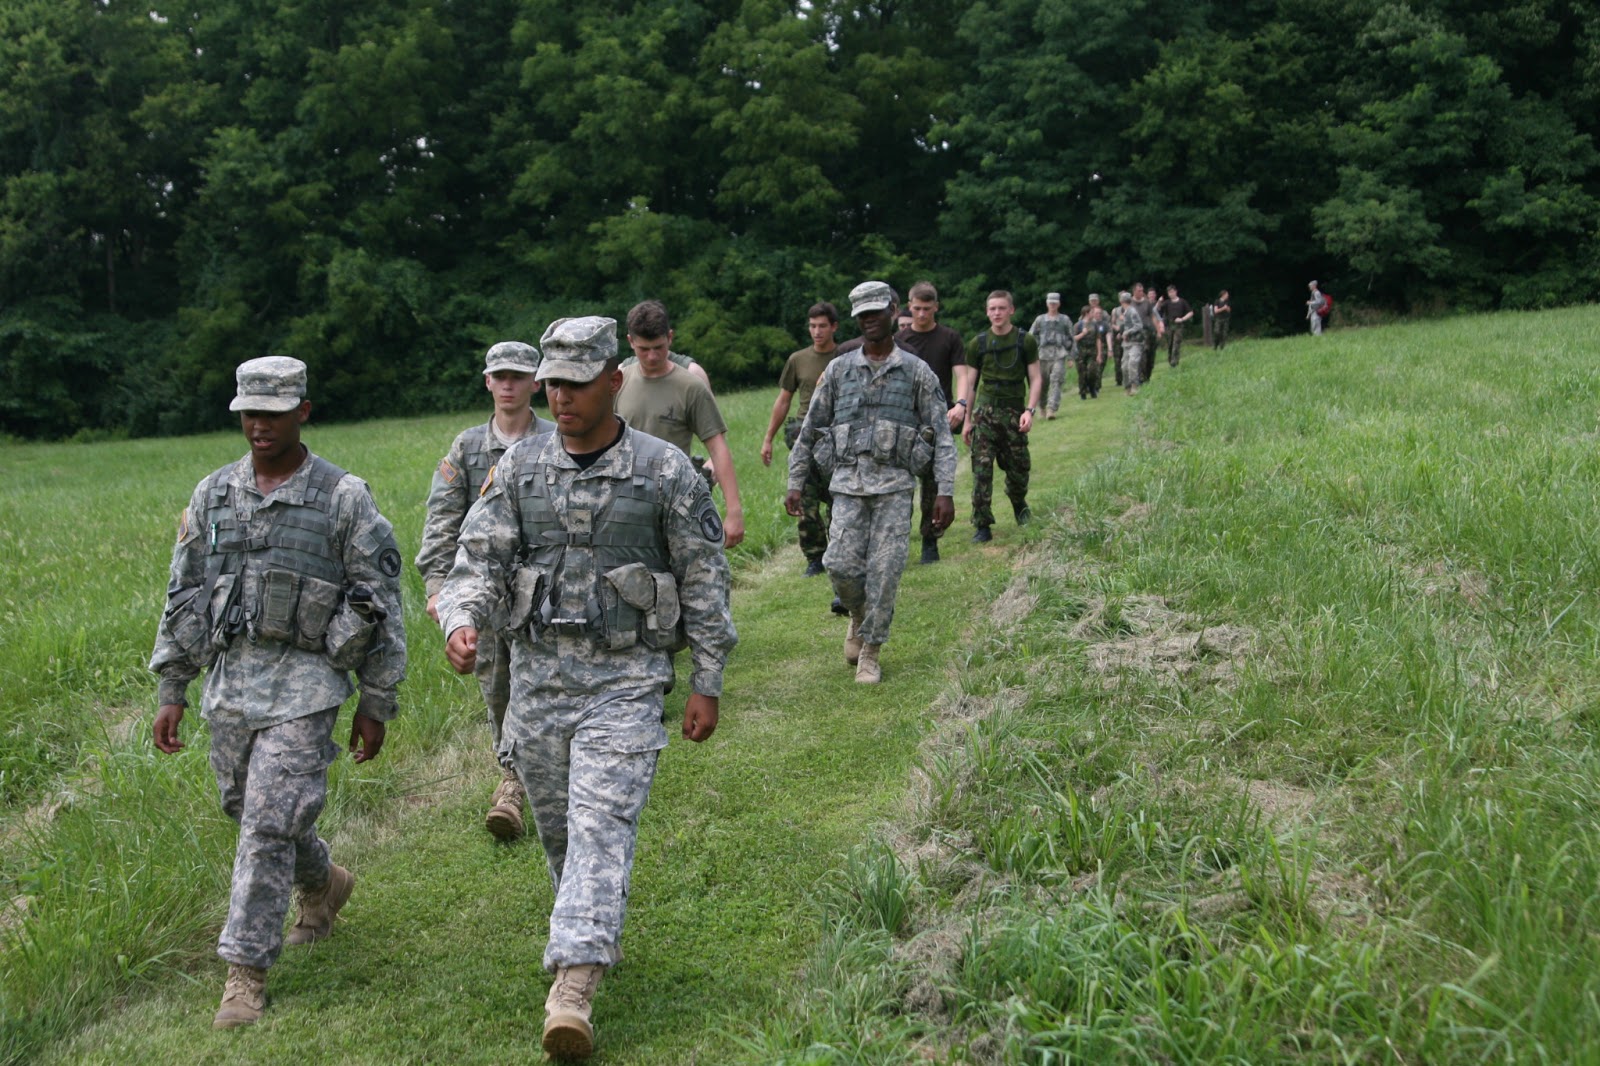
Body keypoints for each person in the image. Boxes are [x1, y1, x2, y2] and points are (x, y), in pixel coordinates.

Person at [437, 316, 736, 1061]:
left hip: (627, 680)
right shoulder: (520, 469)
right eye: (553, 385)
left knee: (603, 821)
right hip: (537, 683)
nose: (561, 398)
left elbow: (704, 577)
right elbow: (477, 554)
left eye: (577, 384)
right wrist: (461, 619)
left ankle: (572, 983)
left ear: (614, 382)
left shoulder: (664, 471)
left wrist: (707, 679)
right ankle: (591, 925)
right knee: (562, 834)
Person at [150, 356, 407, 1029]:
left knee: (266, 822)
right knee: (248, 805)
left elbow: (382, 600)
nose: (259, 424)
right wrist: (173, 683)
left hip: (308, 685)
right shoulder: (213, 495)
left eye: (273, 411)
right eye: (248, 413)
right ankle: (324, 884)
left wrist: (376, 701)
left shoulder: (344, 498)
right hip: (232, 684)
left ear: (304, 412)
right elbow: (187, 593)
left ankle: (245, 972)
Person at [415, 341, 555, 841]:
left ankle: (530, 779)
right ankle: (513, 778)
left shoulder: (557, 440)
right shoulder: (468, 449)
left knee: (543, 689)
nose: (509, 384)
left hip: (547, 597)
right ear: (488, 382)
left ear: (536, 382)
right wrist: (438, 587)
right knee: (498, 691)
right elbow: (442, 520)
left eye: (519, 375)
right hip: (489, 598)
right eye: (500, 375)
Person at [786, 281, 957, 683]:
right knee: (839, 565)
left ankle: (872, 652)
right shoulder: (839, 370)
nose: (869, 321)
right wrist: (796, 480)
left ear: (894, 311)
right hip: (847, 484)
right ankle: (859, 618)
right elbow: (811, 428)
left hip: (895, 487)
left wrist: (945, 491)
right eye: (862, 315)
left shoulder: (915, 371)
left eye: (876, 312)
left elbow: (941, 434)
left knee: (885, 571)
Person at [617, 300, 745, 549]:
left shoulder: (690, 383)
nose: (652, 356)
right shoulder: (620, 379)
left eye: (659, 347)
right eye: (644, 349)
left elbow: (718, 446)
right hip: (628, 501)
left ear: (670, 338)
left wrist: (734, 511)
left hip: (677, 499)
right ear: (631, 341)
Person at [760, 302, 840, 577]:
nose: (816, 332)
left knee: (838, 496)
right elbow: (784, 400)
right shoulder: (797, 359)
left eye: (822, 326)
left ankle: (839, 551)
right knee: (804, 496)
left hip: (836, 433)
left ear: (834, 327)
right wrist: (768, 438)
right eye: (812, 326)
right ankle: (814, 557)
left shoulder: (845, 357)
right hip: (803, 434)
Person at [961, 290, 1043, 542]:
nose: (996, 313)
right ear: (987, 312)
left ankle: (1019, 502)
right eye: (992, 308)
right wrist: (967, 421)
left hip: (1014, 413)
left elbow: (1036, 377)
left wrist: (1029, 410)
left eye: (1001, 308)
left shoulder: (1025, 341)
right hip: (985, 414)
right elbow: (970, 384)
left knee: (1019, 468)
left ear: (1011, 310)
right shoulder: (979, 344)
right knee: (981, 469)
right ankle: (982, 523)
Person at [896, 280, 969, 564]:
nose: (922, 314)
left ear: (936, 307)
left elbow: (961, 374)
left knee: (933, 484)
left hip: (936, 417)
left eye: (927, 309)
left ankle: (930, 540)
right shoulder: (900, 342)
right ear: (909, 306)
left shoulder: (949, 338)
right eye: (917, 309)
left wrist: (961, 404)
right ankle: (895, 542)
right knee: (899, 485)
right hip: (904, 420)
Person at [1028, 292, 1074, 420]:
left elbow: (1071, 338)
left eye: (1055, 303)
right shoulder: (1040, 320)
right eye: (1050, 303)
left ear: (1058, 304)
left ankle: (1051, 409)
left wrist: (1071, 357)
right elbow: (1031, 336)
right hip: (1042, 355)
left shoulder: (1064, 320)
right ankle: (1042, 406)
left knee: (1057, 380)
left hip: (1059, 354)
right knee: (1042, 383)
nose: (1052, 305)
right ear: (1047, 304)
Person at [1074, 295, 1109, 399]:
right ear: (1087, 313)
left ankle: (1092, 388)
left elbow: (1098, 339)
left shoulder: (1095, 325)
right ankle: (1083, 392)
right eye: (1092, 313)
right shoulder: (1078, 325)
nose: (1094, 314)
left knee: (1092, 371)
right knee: (1082, 373)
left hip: (1092, 351)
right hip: (1081, 352)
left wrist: (1099, 354)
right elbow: (1073, 338)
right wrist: (1082, 334)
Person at [1114, 291, 1146, 395]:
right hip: (1127, 343)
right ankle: (1127, 388)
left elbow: (1139, 326)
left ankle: (1134, 386)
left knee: (1132, 363)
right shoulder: (1126, 312)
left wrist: (1127, 332)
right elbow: (1126, 325)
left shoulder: (1132, 311)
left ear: (1121, 301)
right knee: (1124, 366)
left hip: (1135, 342)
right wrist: (1121, 333)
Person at [1132, 282, 1163, 384]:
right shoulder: (1130, 304)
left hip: (1149, 332)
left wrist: (1158, 330)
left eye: (1142, 290)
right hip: (1137, 333)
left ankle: (1147, 376)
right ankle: (1141, 378)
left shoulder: (1147, 303)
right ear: (1134, 291)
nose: (1141, 292)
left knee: (1150, 357)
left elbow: (1153, 317)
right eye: (1139, 291)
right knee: (1142, 355)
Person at [1161, 285, 1195, 367]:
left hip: (1178, 325)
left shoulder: (1182, 302)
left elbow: (1191, 312)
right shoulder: (1167, 303)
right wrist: (1159, 301)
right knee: (1170, 344)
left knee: (1176, 343)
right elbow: (1157, 309)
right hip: (1169, 326)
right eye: (1169, 292)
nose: (1171, 294)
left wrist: (1182, 319)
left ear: (1176, 292)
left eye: (1172, 291)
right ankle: (1170, 361)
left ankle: (1174, 362)